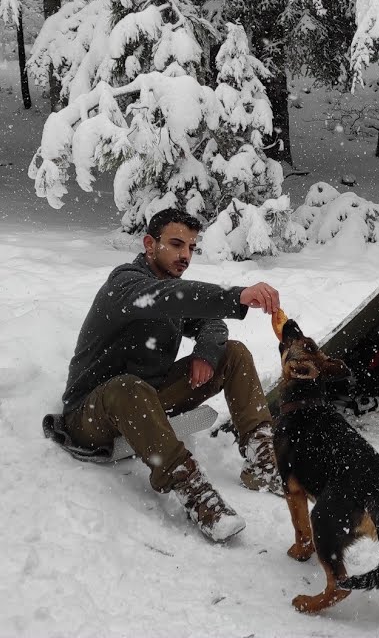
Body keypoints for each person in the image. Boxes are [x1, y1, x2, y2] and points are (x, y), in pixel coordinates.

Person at [58, 207, 282, 542]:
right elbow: (169, 299)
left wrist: (206, 352)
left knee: (232, 353)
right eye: (176, 244)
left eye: (191, 247)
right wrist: (235, 295)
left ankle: (264, 462)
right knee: (128, 387)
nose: (185, 255)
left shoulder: (169, 289)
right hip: (91, 415)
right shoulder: (126, 284)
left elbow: (210, 323)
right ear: (150, 244)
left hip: (148, 401)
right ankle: (193, 490)